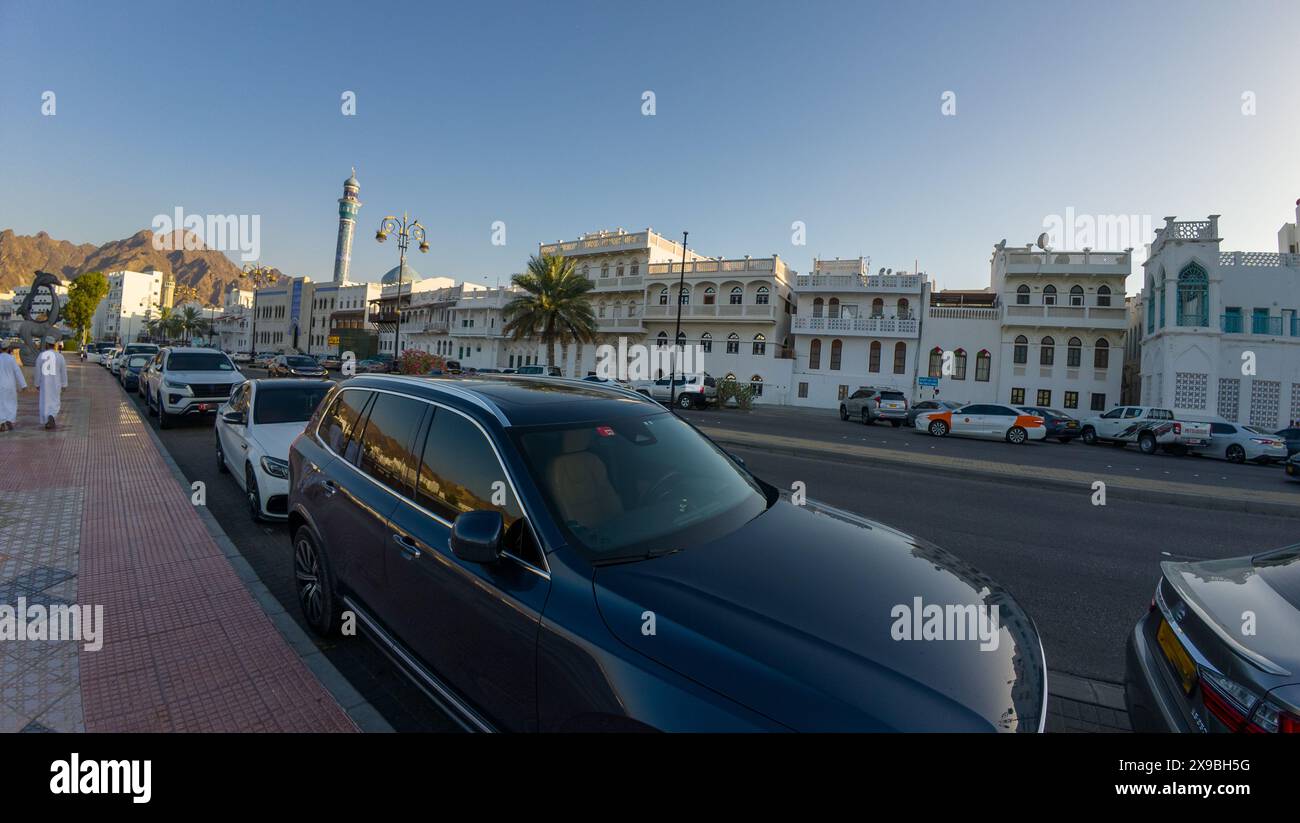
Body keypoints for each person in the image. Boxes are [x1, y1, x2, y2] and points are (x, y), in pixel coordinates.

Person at [34, 337, 67, 430]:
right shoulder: (60, 356)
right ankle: (51, 416)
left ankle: (48, 418)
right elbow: (63, 371)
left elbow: (37, 371)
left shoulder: (41, 355)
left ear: (47, 344)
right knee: (55, 401)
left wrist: (37, 383)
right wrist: (64, 384)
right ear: (54, 345)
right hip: (56, 384)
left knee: (45, 402)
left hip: (44, 384)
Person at [0, 344, 26, 433]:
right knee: (11, 403)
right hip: (10, 385)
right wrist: (23, 385)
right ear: (8, 349)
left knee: (1, 403)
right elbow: (17, 372)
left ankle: (2, 422)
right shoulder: (11, 359)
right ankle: (9, 420)